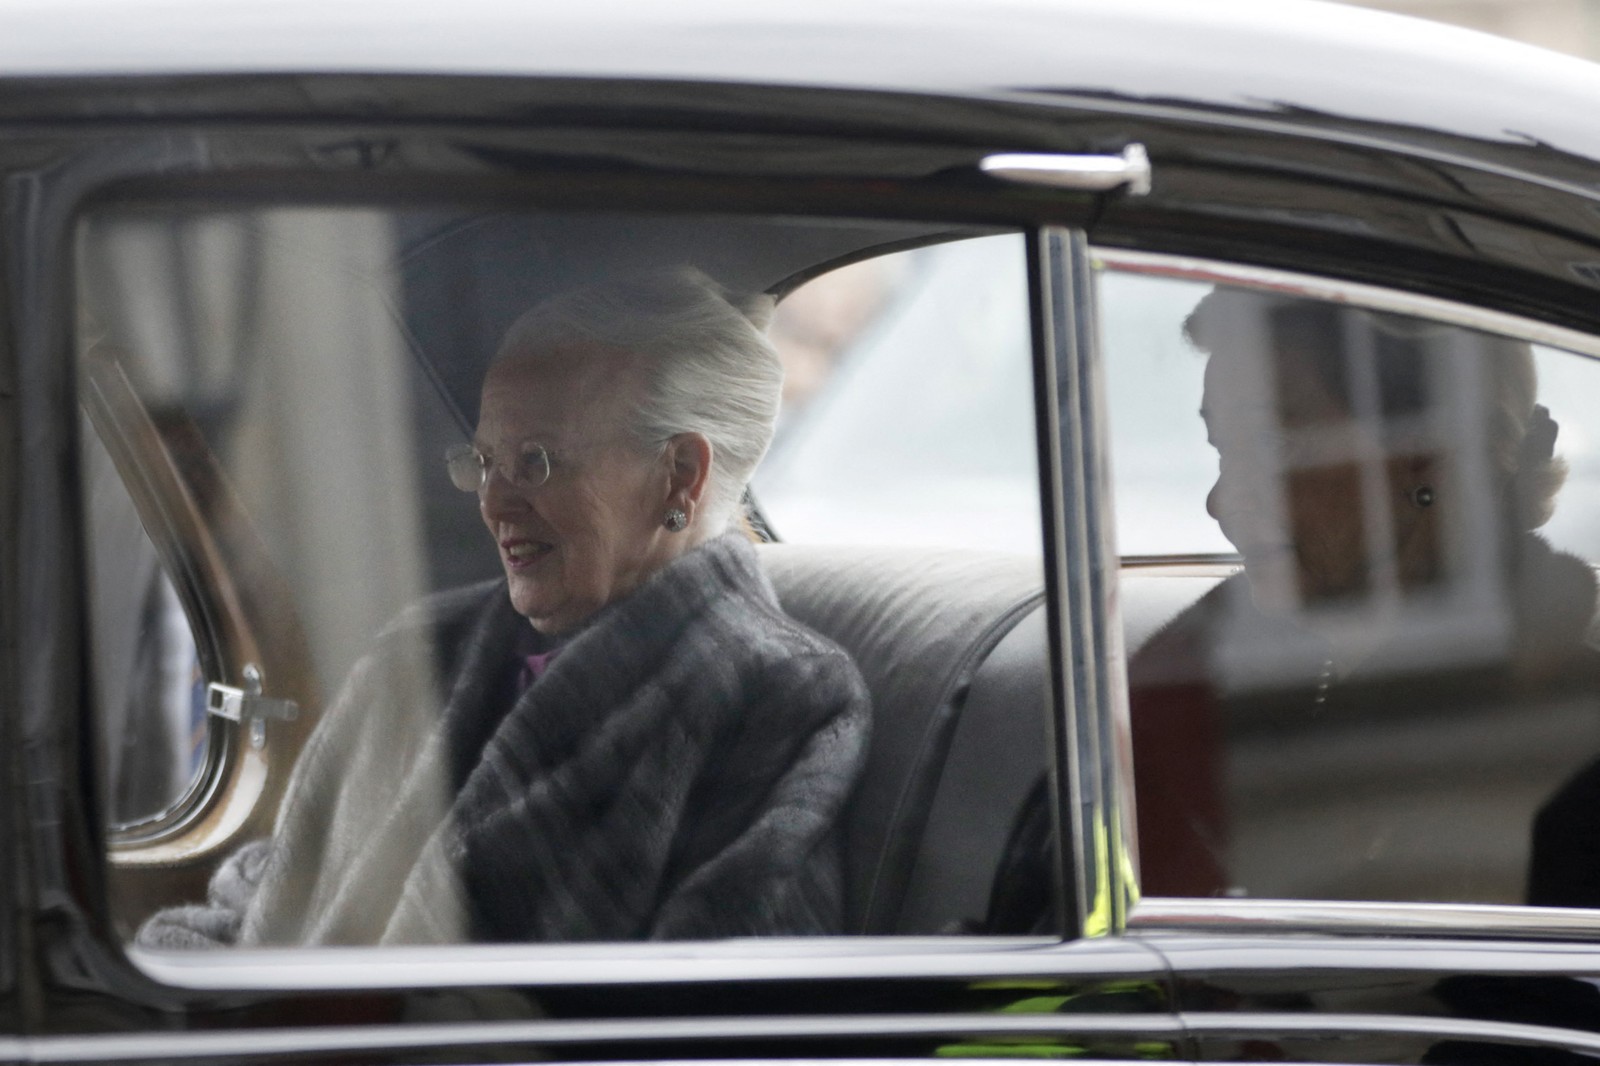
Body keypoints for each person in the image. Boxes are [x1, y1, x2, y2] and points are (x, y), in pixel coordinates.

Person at [139, 266, 871, 946]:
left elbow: (724, 1016)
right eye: (485, 462)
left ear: (679, 475)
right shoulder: (424, 651)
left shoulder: (775, 693)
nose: (493, 501)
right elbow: (264, 900)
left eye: (536, 462)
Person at [983, 287, 1595, 930]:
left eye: (1270, 445)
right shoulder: (1188, 699)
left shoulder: (1568, 748)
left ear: (1431, 454)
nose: (1221, 502)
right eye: (1224, 451)